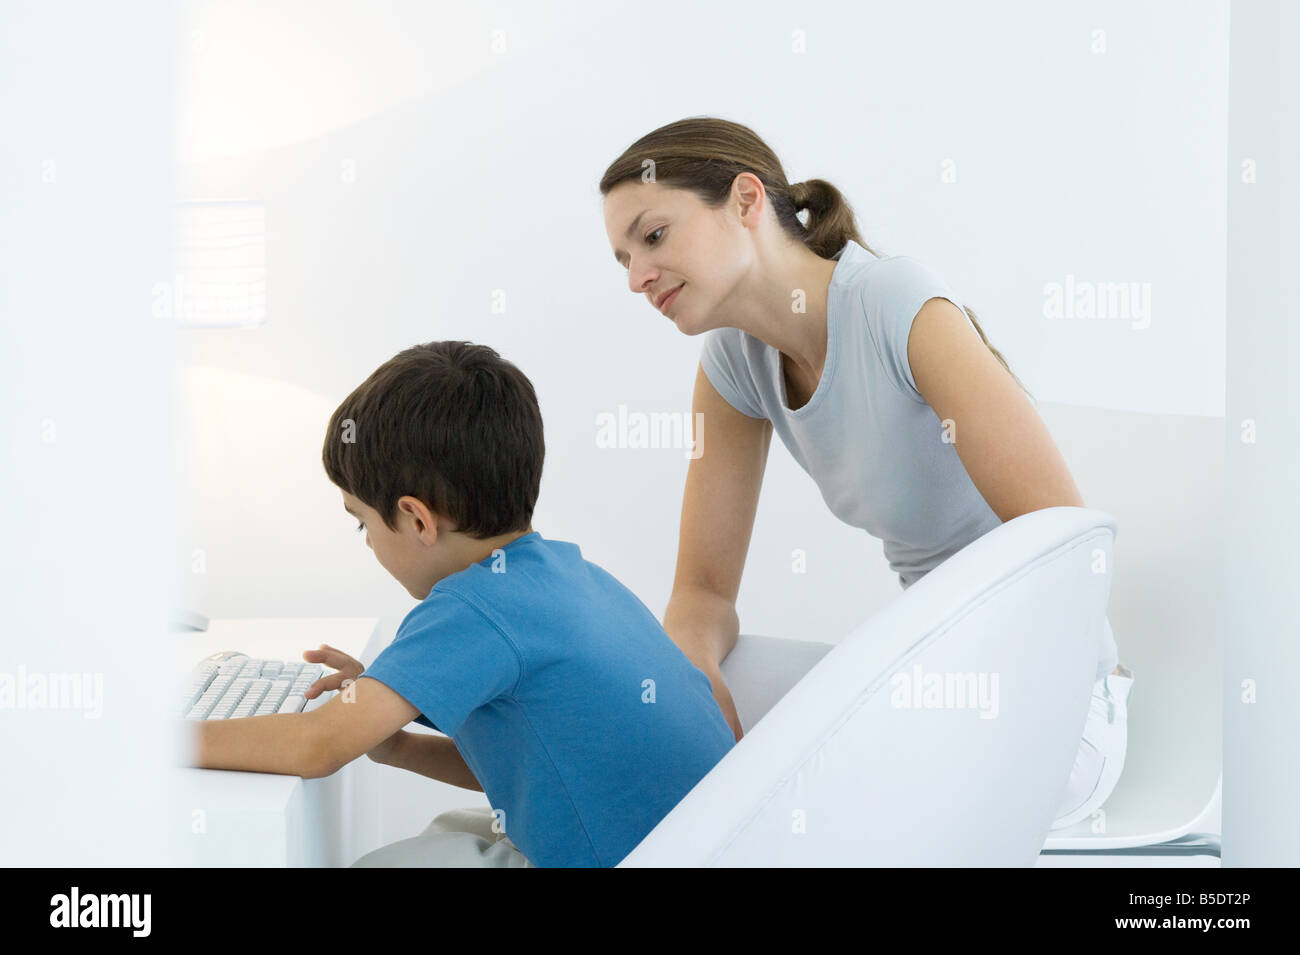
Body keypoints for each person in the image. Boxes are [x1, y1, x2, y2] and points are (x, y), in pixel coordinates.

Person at [600, 116, 1134, 831]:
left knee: (816, 795)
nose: (637, 277)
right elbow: (701, 593)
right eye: (622, 259)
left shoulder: (891, 301)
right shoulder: (736, 361)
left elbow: (1066, 548)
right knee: (670, 693)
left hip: (1054, 709)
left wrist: (937, 684)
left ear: (747, 200)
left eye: (653, 236)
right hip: (930, 682)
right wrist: (686, 680)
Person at [189, 340, 736, 866]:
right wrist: (393, 741)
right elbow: (535, 769)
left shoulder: (473, 609)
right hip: (705, 848)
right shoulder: (572, 578)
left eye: (363, 524)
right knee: (450, 828)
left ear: (417, 519)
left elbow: (317, 746)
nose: (367, 540)